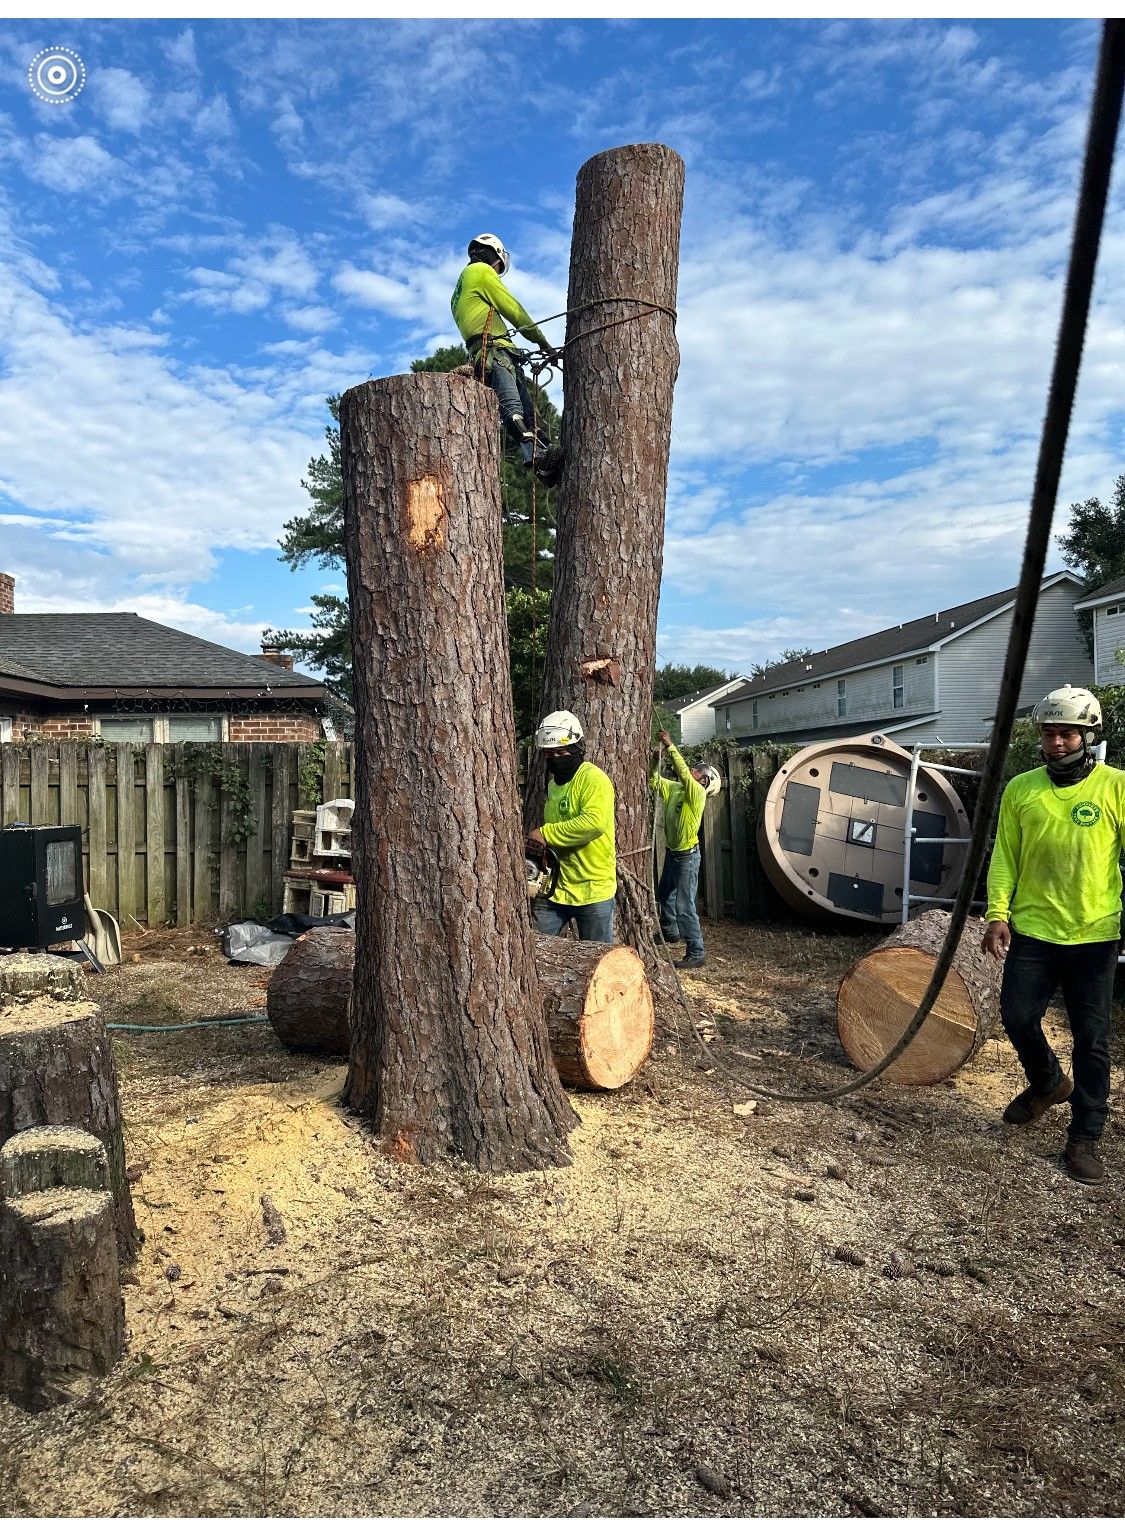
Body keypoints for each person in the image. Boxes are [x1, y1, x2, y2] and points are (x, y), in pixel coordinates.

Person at [982, 684, 1125, 1185]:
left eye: (1067, 734)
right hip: (1034, 930)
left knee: (1092, 1039)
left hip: (1095, 932)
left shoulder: (1115, 787)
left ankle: (1084, 1137)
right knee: (1017, 1016)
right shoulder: (1022, 789)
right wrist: (997, 912)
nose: (1057, 743)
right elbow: (1005, 857)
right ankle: (1047, 1082)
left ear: (1087, 734)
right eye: (1049, 733)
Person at [450, 233, 562, 485]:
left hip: (488, 355)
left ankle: (545, 464)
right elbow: (513, 309)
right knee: (513, 410)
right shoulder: (480, 271)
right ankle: (537, 455)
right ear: (493, 255)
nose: (496, 271)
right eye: (498, 266)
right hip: (496, 353)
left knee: (528, 416)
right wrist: (543, 343)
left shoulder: (456, 293)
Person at [526, 710, 616, 942]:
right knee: (535, 948)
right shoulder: (553, 785)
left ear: (577, 749)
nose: (554, 758)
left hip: (592, 890)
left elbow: (594, 823)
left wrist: (546, 834)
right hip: (555, 887)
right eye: (549, 753)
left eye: (560, 752)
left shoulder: (594, 779)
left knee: (597, 961)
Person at [650, 728, 722, 969]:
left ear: (704, 780)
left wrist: (670, 747)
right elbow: (654, 781)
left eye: (698, 770)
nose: (693, 769)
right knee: (664, 894)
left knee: (685, 906)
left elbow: (682, 771)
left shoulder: (696, 793)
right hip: (673, 853)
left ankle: (696, 952)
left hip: (687, 858)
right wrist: (653, 761)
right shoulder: (677, 789)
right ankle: (670, 932)